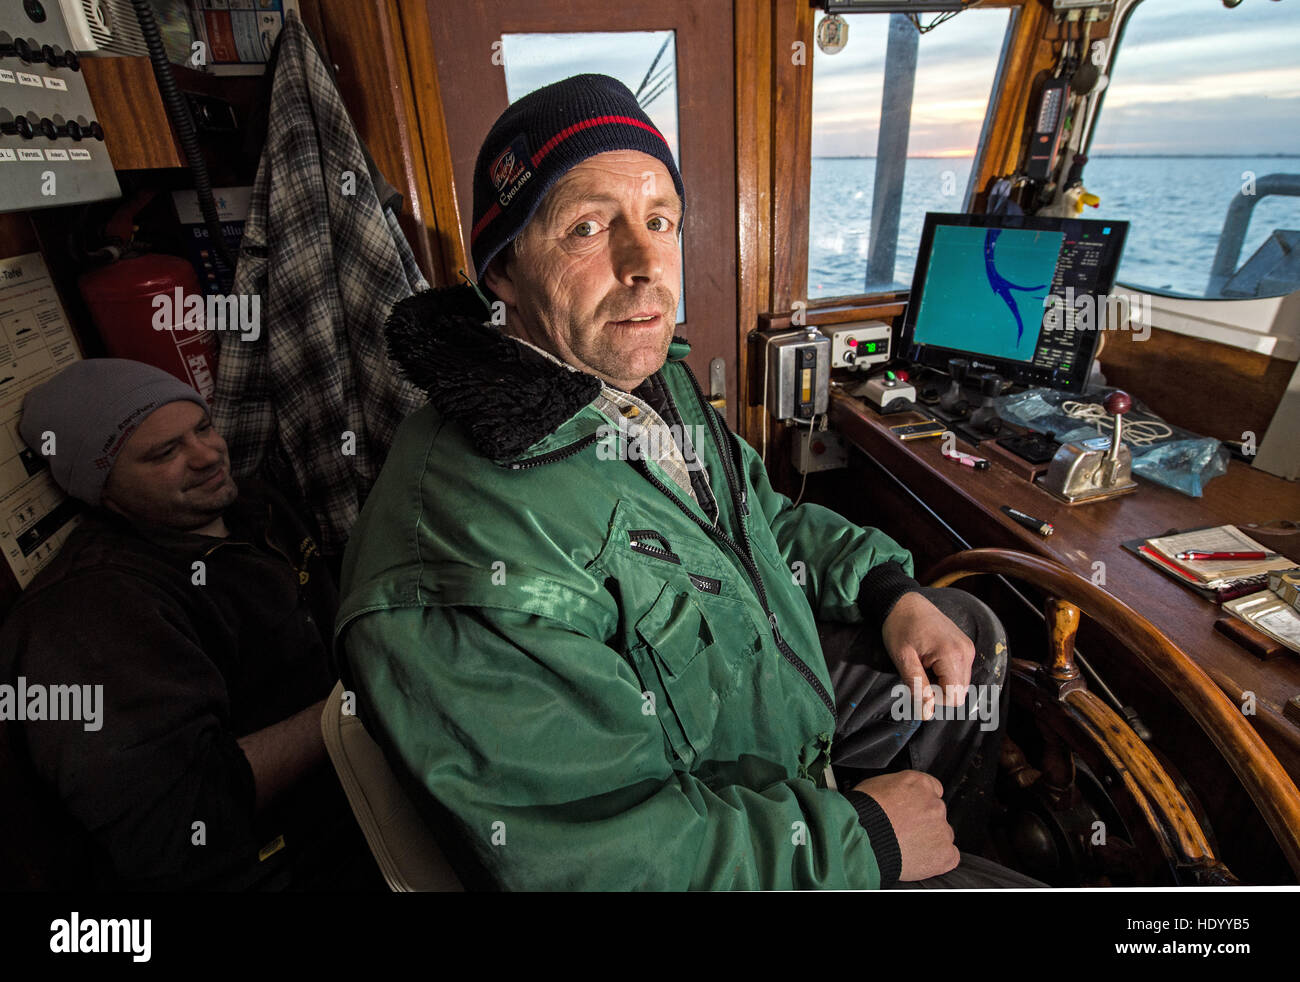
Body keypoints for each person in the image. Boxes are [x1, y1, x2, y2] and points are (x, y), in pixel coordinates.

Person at [337, 74, 1035, 889]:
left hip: (770, 732)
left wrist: (887, 589)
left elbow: (755, 520)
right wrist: (865, 843)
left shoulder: (640, 388)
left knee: (967, 631)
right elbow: (594, 862)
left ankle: (949, 834)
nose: (643, 264)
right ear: (503, 273)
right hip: (718, 837)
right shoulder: (463, 546)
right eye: (588, 227)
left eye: (658, 220)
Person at [0, 359, 378, 890]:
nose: (206, 456)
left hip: (362, 790)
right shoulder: (89, 615)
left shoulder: (255, 504)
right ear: (100, 486)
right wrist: (360, 700)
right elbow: (179, 820)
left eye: (201, 428)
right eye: (165, 453)